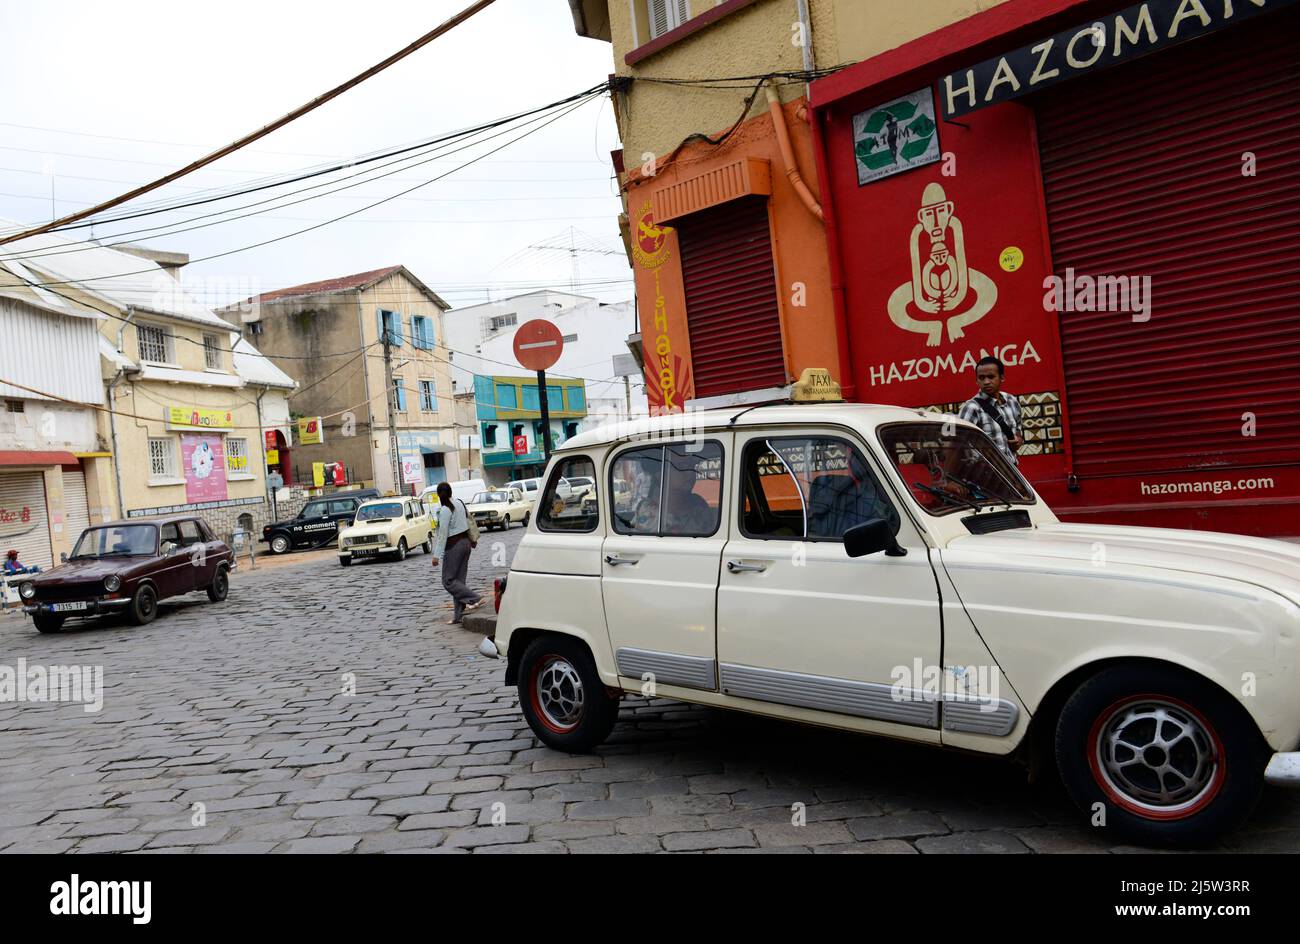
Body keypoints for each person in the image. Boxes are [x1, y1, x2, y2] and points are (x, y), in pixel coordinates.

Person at [429, 482, 483, 625]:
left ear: (438, 495)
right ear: (451, 492)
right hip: (465, 544)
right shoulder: (459, 503)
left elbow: (442, 534)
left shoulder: (445, 510)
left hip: (454, 547)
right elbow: (468, 521)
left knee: (448, 581)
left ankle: (475, 598)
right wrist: (472, 539)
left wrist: (436, 556)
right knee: (458, 582)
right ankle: (458, 616)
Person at [958, 355, 1024, 466]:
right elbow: (960, 444)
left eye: (991, 377)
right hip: (985, 475)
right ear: (977, 381)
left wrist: (1018, 441)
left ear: (1001, 378)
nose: (986, 382)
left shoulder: (1012, 401)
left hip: (1011, 472)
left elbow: (1018, 430)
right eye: (981, 378)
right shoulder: (971, 408)